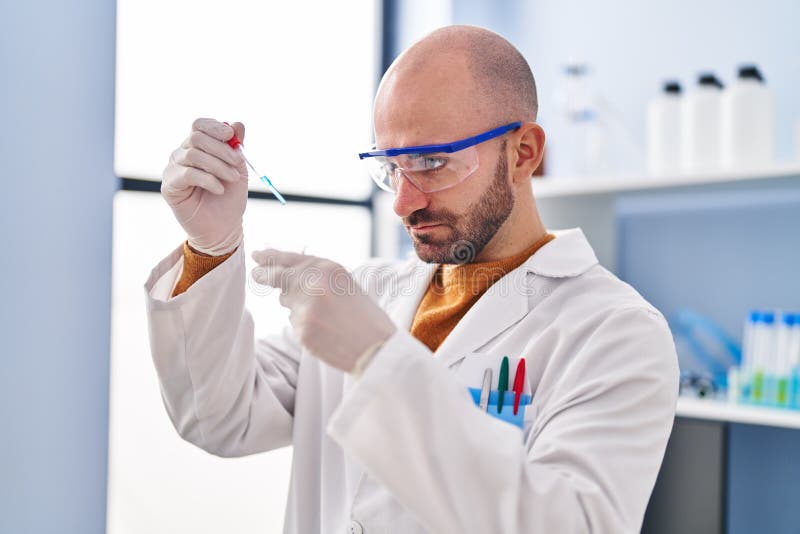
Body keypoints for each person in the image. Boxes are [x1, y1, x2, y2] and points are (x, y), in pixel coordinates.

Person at [146, 25, 678, 534]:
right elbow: (216, 417)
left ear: (523, 153)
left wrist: (377, 359)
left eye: (431, 162)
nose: (403, 201)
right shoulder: (367, 293)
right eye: (391, 166)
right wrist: (209, 247)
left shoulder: (616, 333)